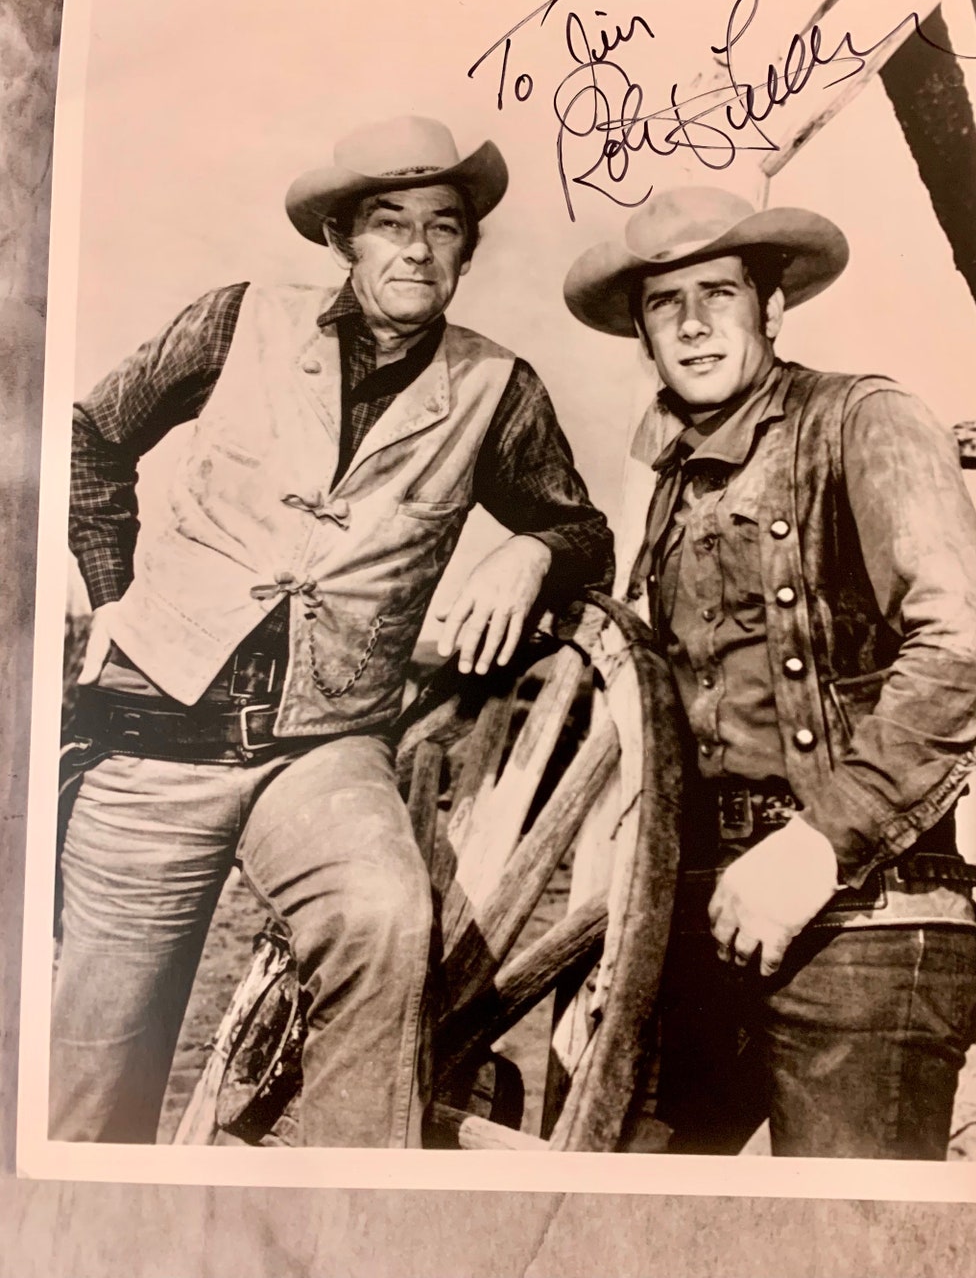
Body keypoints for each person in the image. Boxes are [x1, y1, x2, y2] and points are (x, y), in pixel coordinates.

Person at [54, 114, 614, 1147]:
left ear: (466, 249)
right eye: (390, 223)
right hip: (153, 739)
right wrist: (114, 592)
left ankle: (344, 1197)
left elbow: (585, 532)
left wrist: (532, 550)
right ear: (343, 238)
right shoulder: (237, 321)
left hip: (323, 749)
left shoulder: (497, 388)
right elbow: (89, 437)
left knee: (386, 920)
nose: (417, 248)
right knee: (89, 1084)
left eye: (442, 227)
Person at [563, 186, 976, 1159]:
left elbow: (966, 653)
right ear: (642, 334)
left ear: (771, 305)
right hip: (701, 921)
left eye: (718, 293)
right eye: (665, 303)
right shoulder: (671, 481)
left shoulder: (863, 419)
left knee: (849, 1231)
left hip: (866, 919)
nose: (693, 324)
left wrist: (821, 844)